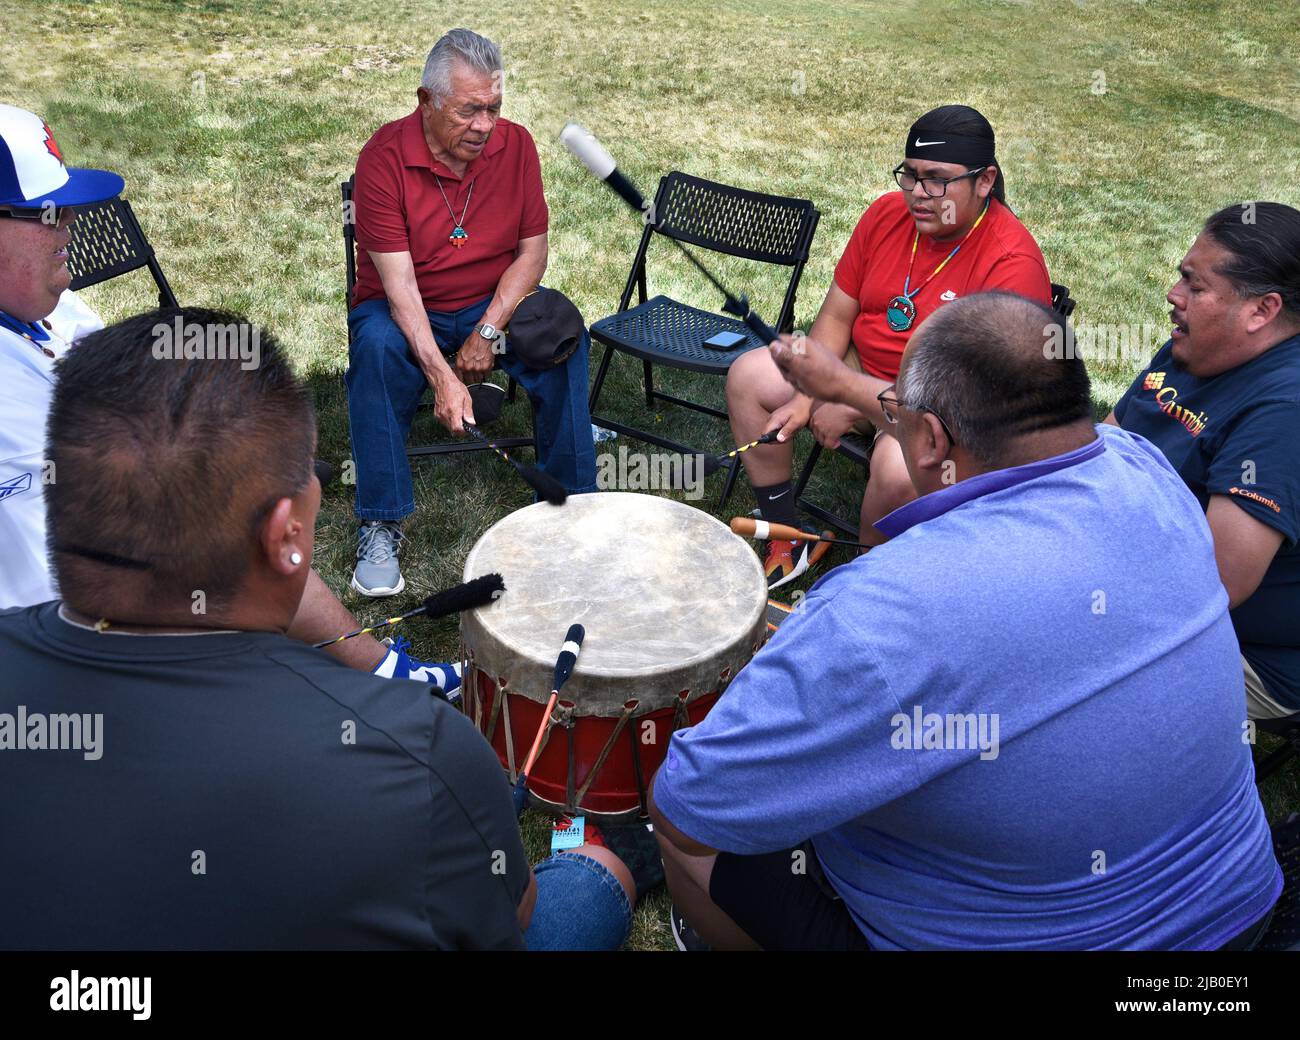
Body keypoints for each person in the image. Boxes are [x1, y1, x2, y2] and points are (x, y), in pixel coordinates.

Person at [650, 292, 1281, 951]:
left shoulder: (879, 617)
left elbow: (691, 805)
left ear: (930, 442)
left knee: (690, 843)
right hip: (1238, 915)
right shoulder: (1147, 470)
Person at [0, 308, 636, 950]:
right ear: (285, 537)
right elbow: (513, 913)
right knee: (590, 882)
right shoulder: (417, 745)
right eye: (312, 476)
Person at [0, 103, 457, 692]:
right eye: (46, 213)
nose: (68, 227)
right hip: (74, 673)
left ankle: (391, 676)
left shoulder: (48, 309)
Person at [725, 105, 1052, 587]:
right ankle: (787, 533)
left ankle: (867, 589)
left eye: (938, 180)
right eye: (911, 176)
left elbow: (962, 401)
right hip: (861, 366)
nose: (919, 194)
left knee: (898, 472)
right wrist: (808, 393)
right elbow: (837, 315)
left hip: (938, 408)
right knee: (750, 375)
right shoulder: (885, 214)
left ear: (985, 182)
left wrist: (854, 401)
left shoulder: (1011, 264)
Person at [347, 29, 598, 598]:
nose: (485, 126)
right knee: (377, 351)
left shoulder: (517, 146)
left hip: (492, 306)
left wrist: (488, 330)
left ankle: (572, 503)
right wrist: (441, 375)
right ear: (426, 101)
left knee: (562, 333)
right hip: (409, 308)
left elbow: (533, 252)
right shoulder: (383, 158)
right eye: (469, 111)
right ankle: (382, 520)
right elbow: (399, 285)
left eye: (494, 108)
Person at [1108, 202, 1300, 723]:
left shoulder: (1283, 410)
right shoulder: (1199, 345)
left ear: (1261, 311)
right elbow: (1106, 446)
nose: (1175, 296)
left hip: (1237, 648)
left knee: (1032, 657)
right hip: (1134, 570)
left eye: (1194, 286)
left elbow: (1212, 584)